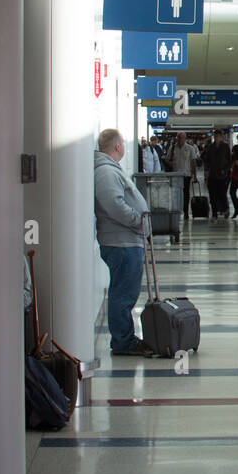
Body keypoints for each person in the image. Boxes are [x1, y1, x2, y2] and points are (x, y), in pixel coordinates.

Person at [93, 129, 153, 356]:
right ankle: (122, 341)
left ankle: (124, 337)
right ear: (117, 147)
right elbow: (114, 205)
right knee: (123, 293)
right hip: (122, 242)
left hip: (126, 241)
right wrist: (138, 221)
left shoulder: (109, 170)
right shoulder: (106, 172)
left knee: (125, 291)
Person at [165, 132, 199, 221]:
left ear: (185, 138)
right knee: (176, 194)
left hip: (186, 174)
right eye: (179, 138)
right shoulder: (172, 148)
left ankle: (186, 212)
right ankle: (177, 211)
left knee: (186, 194)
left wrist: (195, 175)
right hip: (175, 175)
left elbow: (193, 162)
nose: (180, 139)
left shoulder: (190, 148)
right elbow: (167, 159)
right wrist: (171, 164)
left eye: (182, 138)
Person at [202, 129, 233, 221]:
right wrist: (206, 170)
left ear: (221, 137)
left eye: (218, 136)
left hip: (222, 175)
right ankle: (214, 212)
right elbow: (206, 159)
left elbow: (229, 160)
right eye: (215, 136)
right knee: (212, 195)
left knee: (222, 193)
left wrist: (225, 170)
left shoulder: (225, 147)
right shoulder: (210, 147)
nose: (216, 138)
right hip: (212, 174)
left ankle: (225, 208)